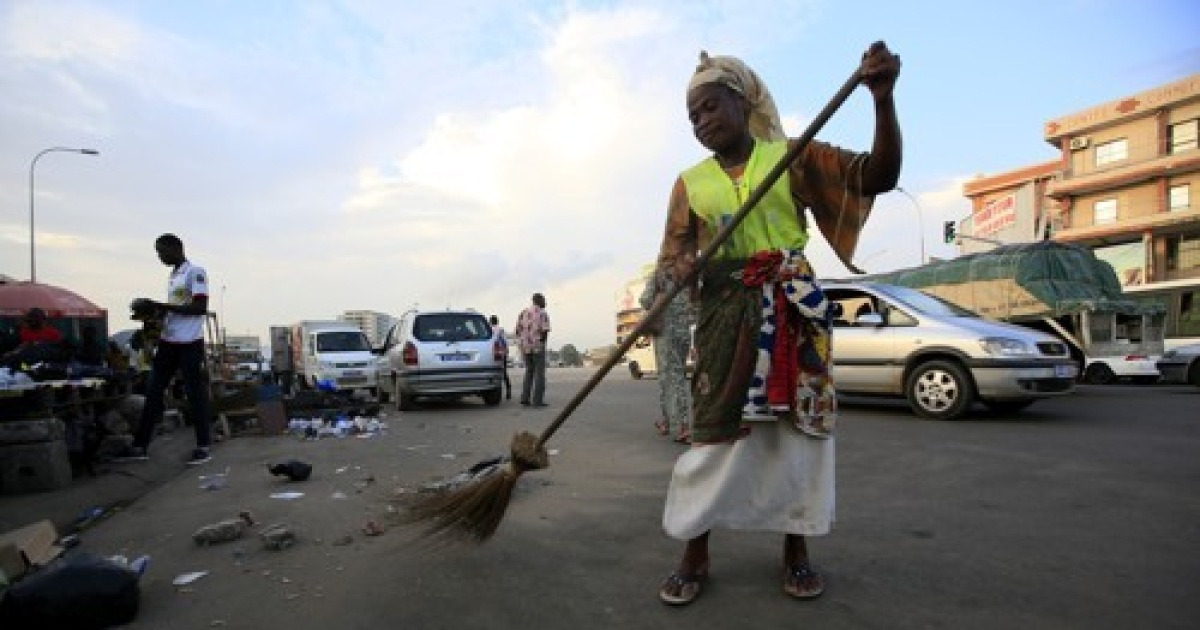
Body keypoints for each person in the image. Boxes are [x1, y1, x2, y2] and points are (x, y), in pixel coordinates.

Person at [654, 43, 902, 605]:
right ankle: (695, 550)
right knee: (713, 436)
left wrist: (882, 101)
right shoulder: (688, 184)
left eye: (711, 106)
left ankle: (797, 549)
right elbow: (672, 258)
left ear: (743, 101)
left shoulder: (792, 157)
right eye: (693, 116)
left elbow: (879, 175)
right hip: (723, 314)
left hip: (792, 309)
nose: (702, 122)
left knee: (800, 435)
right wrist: (683, 266)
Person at [114, 234, 214, 466]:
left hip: (190, 343)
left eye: (161, 252)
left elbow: (200, 307)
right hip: (169, 342)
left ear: (175, 248)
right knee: (153, 392)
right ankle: (140, 446)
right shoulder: (173, 276)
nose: (159, 257)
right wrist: (151, 313)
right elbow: (176, 309)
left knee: (195, 394)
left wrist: (160, 305)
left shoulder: (195, 272)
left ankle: (203, 446)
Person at [638, 265, 696, 442]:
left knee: (670, 377)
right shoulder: (688, 272)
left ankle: (683, 426)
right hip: (683, 332)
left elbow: (646, 300)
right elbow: (695, 305)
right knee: (676, 374)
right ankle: (666, 420)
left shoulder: (660, 273)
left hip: (665, 332)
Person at [514, 293, 551, 407]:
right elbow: (544, 331)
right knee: (539, 374)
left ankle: (525, 398)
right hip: (537, 346)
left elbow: (517, 331)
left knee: (529, 372)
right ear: (539, 300)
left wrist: (523, 341)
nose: (545, 302)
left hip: (525, 347)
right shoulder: (543, 314)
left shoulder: (523, 313)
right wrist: (541, 344)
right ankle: (537, 400)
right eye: (544, 300)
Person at [489, 315, 513, 400]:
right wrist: (506, 351)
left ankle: (493, 390)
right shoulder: (501, 330)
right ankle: (508, 390)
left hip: (493, 353)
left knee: (493, 371)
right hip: (502, 353)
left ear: (490, 322)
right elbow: (505, 341)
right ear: (497, 321)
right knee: (504, 372)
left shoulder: (489, 330)